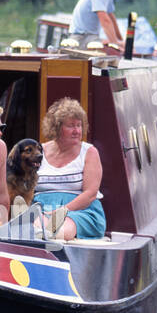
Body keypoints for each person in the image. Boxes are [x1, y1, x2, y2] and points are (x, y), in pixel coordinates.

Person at [35, 97, 105, 240]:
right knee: (35, 228)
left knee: (58, 231)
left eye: (79, 125)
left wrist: (63, 211)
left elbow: (91, 193)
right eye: (71, 126)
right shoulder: (38, 151)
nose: (77, 131)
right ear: (56, 127)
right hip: (41, 209)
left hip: (79, 211)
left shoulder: (89, 152)